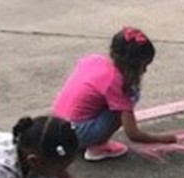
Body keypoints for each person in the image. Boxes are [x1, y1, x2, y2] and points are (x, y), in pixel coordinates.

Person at [50, 26, 177, 161]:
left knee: (115, 99)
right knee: (125, 101)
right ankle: (98, 147)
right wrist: (162, 139)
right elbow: (133, 134)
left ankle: (86, 139)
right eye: (144, 65)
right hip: (78, 134)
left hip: (57, 126)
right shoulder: (117, 83)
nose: (144, 71)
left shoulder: (94, 59)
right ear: (133, 65)